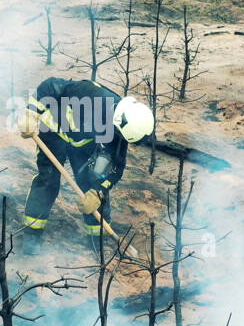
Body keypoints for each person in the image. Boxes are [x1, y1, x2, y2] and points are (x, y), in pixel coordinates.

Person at [18, 77, 154, 254]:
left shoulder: (119, 130)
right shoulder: (91, 95)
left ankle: (97, 237)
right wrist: (31, 113)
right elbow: (51, 85)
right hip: (53, 133)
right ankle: (32, 232)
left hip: (82, 144)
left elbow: (116, 165)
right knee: (48, 180)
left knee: (92, 183)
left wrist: (98, 191)